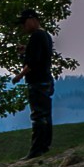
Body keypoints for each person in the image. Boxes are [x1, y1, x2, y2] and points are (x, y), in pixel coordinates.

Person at [18, 11, 59, 158]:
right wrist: (25, 52)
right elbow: (37, 57)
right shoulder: (45, 35)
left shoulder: (36, 36)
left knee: (38, 116)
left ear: (33, 20)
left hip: (37, 81)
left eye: (24, 22)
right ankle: (45, 147)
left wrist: (19, 75)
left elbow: (33, 62)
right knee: (45, 115)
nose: (23, 26)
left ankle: (36, 151)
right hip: (46, 79)